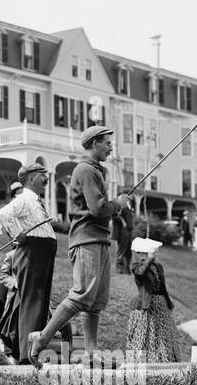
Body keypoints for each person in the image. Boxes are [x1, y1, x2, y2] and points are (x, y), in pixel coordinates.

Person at [28, 126, 132, 362]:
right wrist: (118, 203)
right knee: (82, 296)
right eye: (106, 143)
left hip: (100, 240)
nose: (110, 147)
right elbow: (97, 209)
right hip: (86, 241)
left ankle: (91, 353)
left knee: (95, 302)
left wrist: (114, 206)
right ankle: (42, 338)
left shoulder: (95, 170)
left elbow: (99, 209)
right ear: (94, 143)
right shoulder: (85, 170)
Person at [0, 160, 71, 363]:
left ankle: (32, 352)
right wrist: (15, 234)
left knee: (40, 302)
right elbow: (4, 215)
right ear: (30, 178)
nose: (46, 177)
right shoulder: (25, 198)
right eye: (41, 173)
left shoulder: (35, 200)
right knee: (32, 303)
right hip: (32, 252)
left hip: (42, 253)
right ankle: (26, 355)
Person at [125, 237, 181, 363]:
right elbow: (140, 273)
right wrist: (149, 259)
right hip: (146, 304)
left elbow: (162, 286)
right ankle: (140, 360)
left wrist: (167, 302)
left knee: (161, 334)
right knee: (145, 333)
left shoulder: (158, 267)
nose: (156, 253)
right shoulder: (136, 266)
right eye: (152, 252)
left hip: (160, 304)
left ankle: (163, 358)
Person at [113, 206, 134, 274]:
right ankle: (119, 270)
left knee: (129, 251)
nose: (132, 196)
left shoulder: (129, 206)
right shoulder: (122, 205)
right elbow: (114, 215)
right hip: (123, 232)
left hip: (129, 232)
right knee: (122, 250)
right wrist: (122, 220)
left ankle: (127, 270)